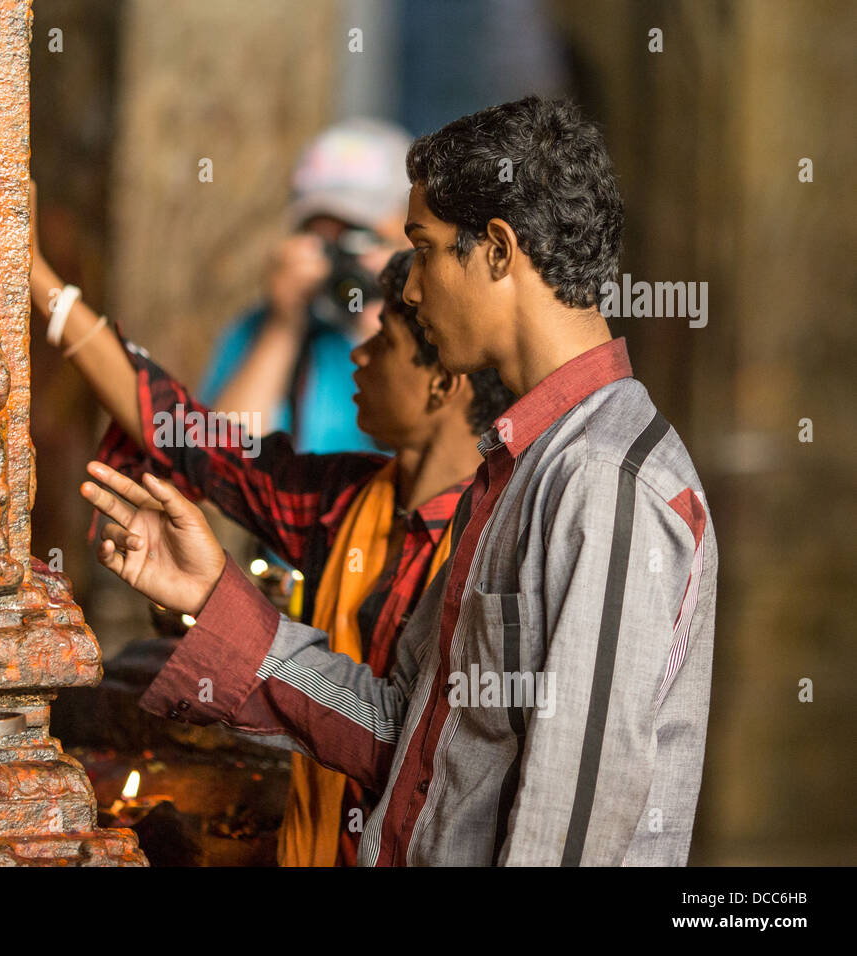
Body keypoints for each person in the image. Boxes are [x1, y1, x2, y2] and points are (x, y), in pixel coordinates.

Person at [79, 96, 718, 866]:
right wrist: (215, 600)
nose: (409, 290)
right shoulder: (517, 466)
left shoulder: (601, 481)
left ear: (499, 252)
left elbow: (574, 831)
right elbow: (406, 731)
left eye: (422, 248)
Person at [30, 208, 511, 865]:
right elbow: (185, 433)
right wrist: (40, 284)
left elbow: (414, 748)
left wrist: (224, 606)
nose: (359, 356)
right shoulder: (344, 497)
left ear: (443, 383)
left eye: (387, 343)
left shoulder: (498, 542)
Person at [201, 118, 414, 454]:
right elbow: (222, 459)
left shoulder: (446, 335)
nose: (343, 261)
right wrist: (282, 327)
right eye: (322, 242)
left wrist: (388, 330)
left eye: (360, 239)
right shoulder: (258, 330)